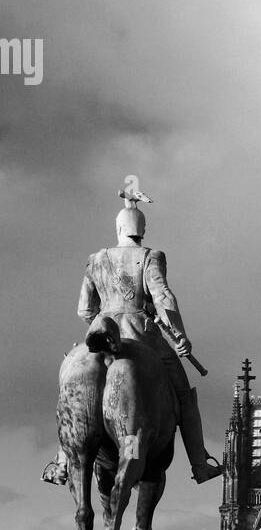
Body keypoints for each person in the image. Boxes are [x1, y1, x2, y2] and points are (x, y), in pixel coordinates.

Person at [44, 193, 221, 485]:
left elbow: (84, 309)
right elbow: (163, 297)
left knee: (69, 385)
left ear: (118, 229)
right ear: (142, 231)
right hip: (143, 336)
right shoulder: (151, 256)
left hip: (101, 332)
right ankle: (201, 465)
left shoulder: (96, 259)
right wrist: (180, 335)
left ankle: (62, 462)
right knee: (185, 398)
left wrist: (102, 321)